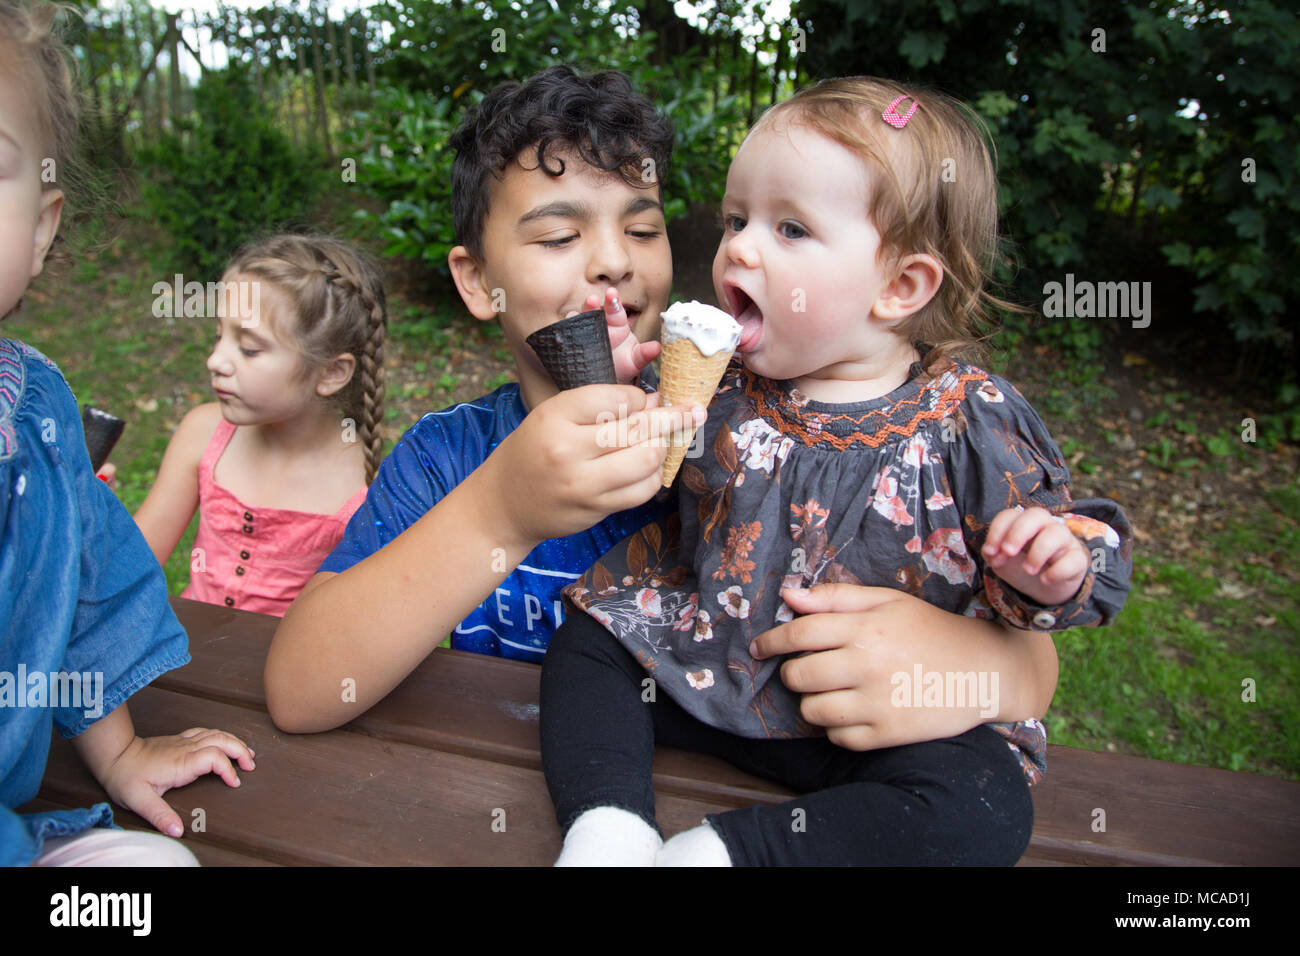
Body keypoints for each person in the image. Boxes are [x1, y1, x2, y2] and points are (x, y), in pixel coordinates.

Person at [263, 67, 1062, 817]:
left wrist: (985, 667)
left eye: (641, 229)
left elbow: (1024, 649)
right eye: (556, 238)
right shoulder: (450, 456)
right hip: (505, 807)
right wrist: (496, 516)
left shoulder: (755, 427)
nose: (613, 263)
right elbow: (301, 690)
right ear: (478, 281)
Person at [541, 76, 1133, 866]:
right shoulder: (719, 381)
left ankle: (726, 855)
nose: (740, 248)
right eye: (736, 219)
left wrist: (1050, 566)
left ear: (899, 286)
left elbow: (1064, 542)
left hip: (864, 720)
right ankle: (608, 829)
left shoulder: (967, 419)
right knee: (588, 644)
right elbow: (639, 461)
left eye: (790, 228)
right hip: (701, 664)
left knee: (985, 804)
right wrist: (615, 385)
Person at [1, 0, 253, 867]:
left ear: (39, 228)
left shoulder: (36, 410)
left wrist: (119, 753)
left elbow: (91, 588)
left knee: (148, 874)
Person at [131, 234, 387, 618]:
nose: (216, 360)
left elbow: (359, 626)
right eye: (219, 336)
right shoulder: (203, 434)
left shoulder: (363, 486)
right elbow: (131, 564)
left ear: (331, 372)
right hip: (183, 657)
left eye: (249, 348)